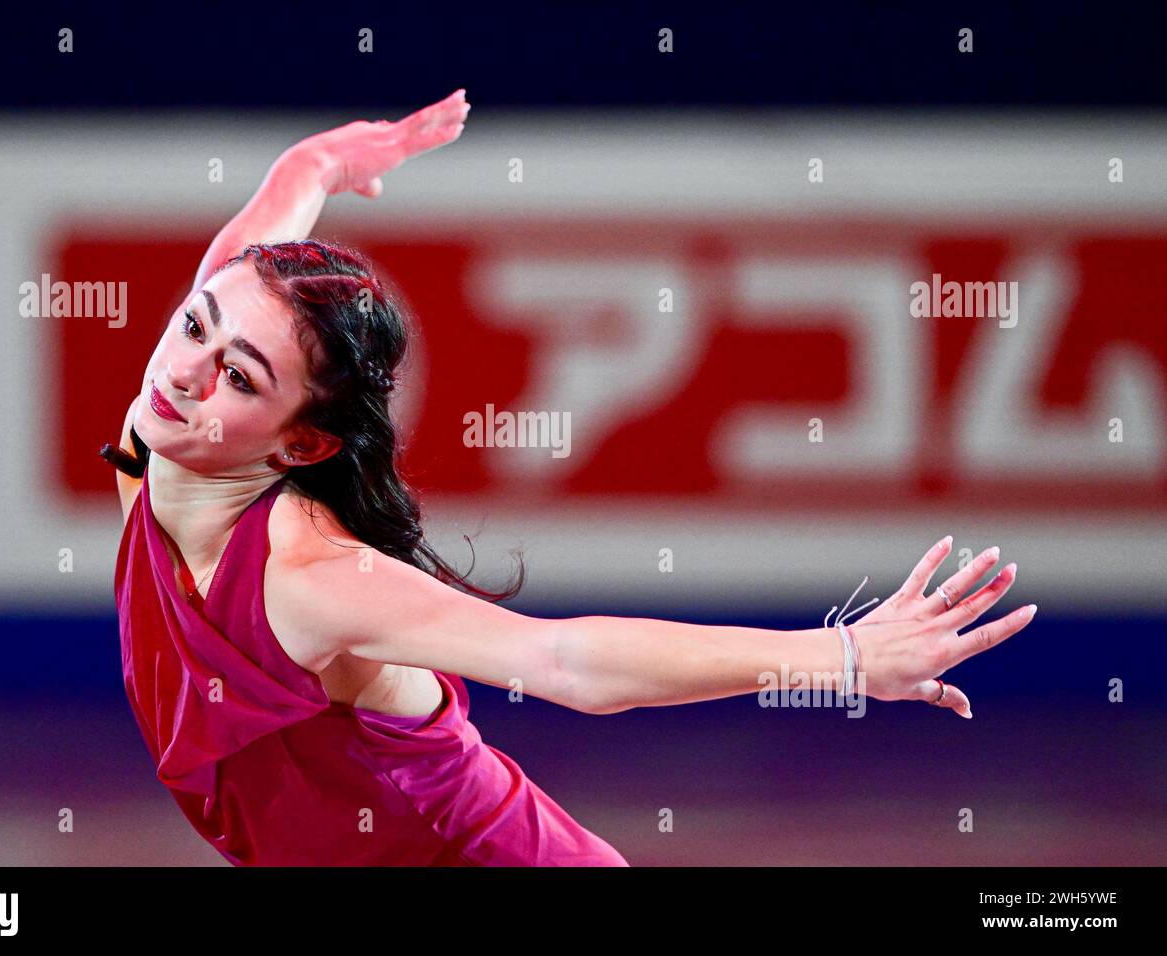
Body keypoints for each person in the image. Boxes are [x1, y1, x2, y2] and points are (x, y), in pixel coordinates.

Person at [100, 90, 1037, 866]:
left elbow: (567, 662)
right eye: (193, 327)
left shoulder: (305, 579)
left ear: (299, 447)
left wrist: (846, 658)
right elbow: (231, 272)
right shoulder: (160, 430)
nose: (184, 372)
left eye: (239, 378)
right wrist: (312, 167)